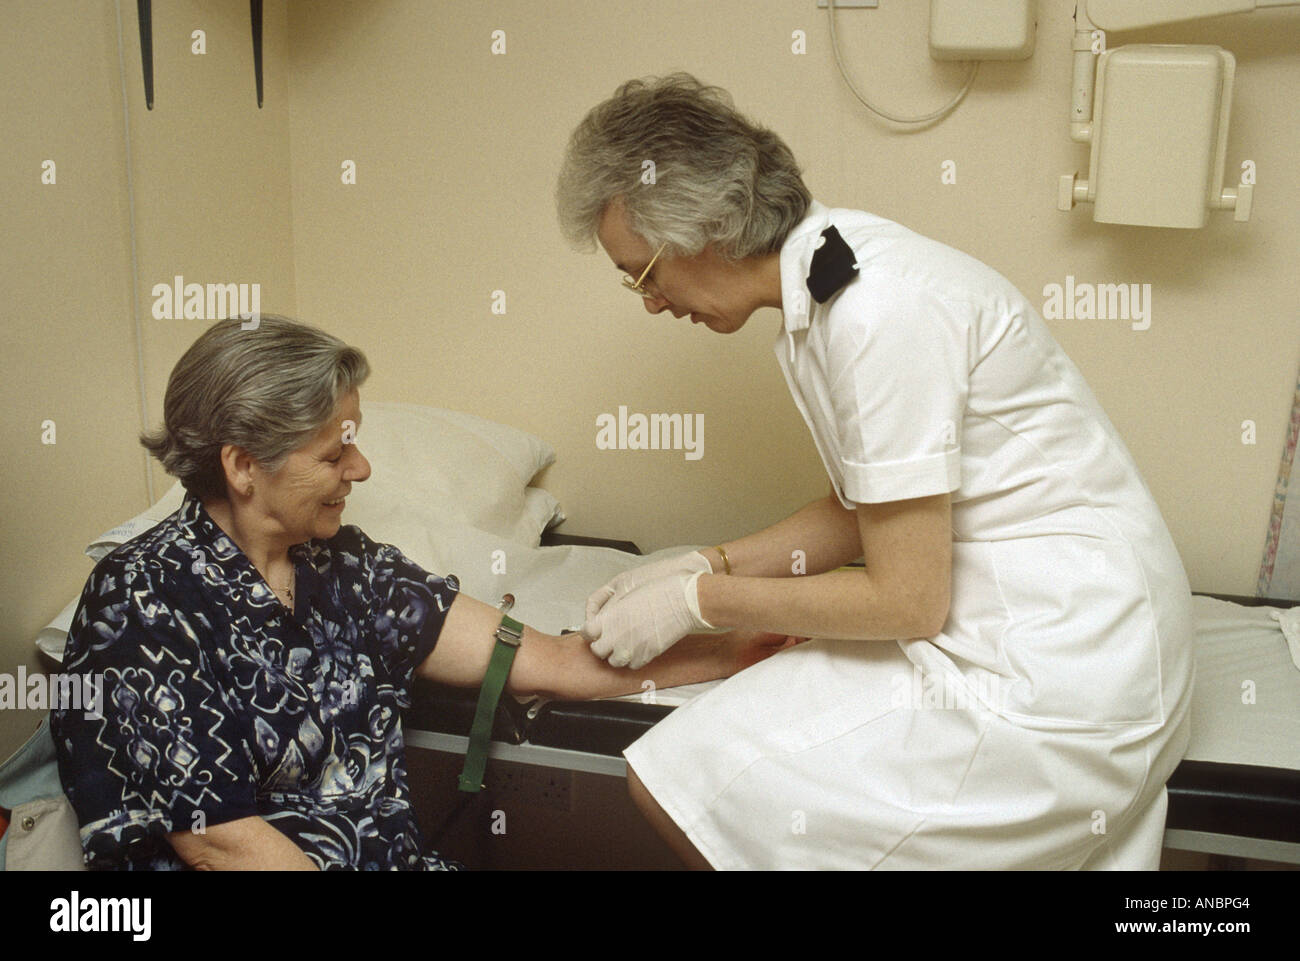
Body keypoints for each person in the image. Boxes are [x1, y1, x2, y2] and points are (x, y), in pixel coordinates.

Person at [554, 74, 1195, 870]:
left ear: (705, 230)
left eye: (643, 275)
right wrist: (704, 561)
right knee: (715, 747)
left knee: (682, 776)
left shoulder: (875, 312)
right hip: (1044, 622)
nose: (649, 303)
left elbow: (907, 598)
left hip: (1066, 668)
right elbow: (867, 505)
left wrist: (698, 602)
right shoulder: (830, 280)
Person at [50, 314, 792, 870]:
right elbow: (222, 845)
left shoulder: (346, 569)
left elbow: (552, 661)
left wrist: (735, 647)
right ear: (243, 464)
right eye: (336, 448)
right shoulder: (143, 601)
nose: (363, 467)